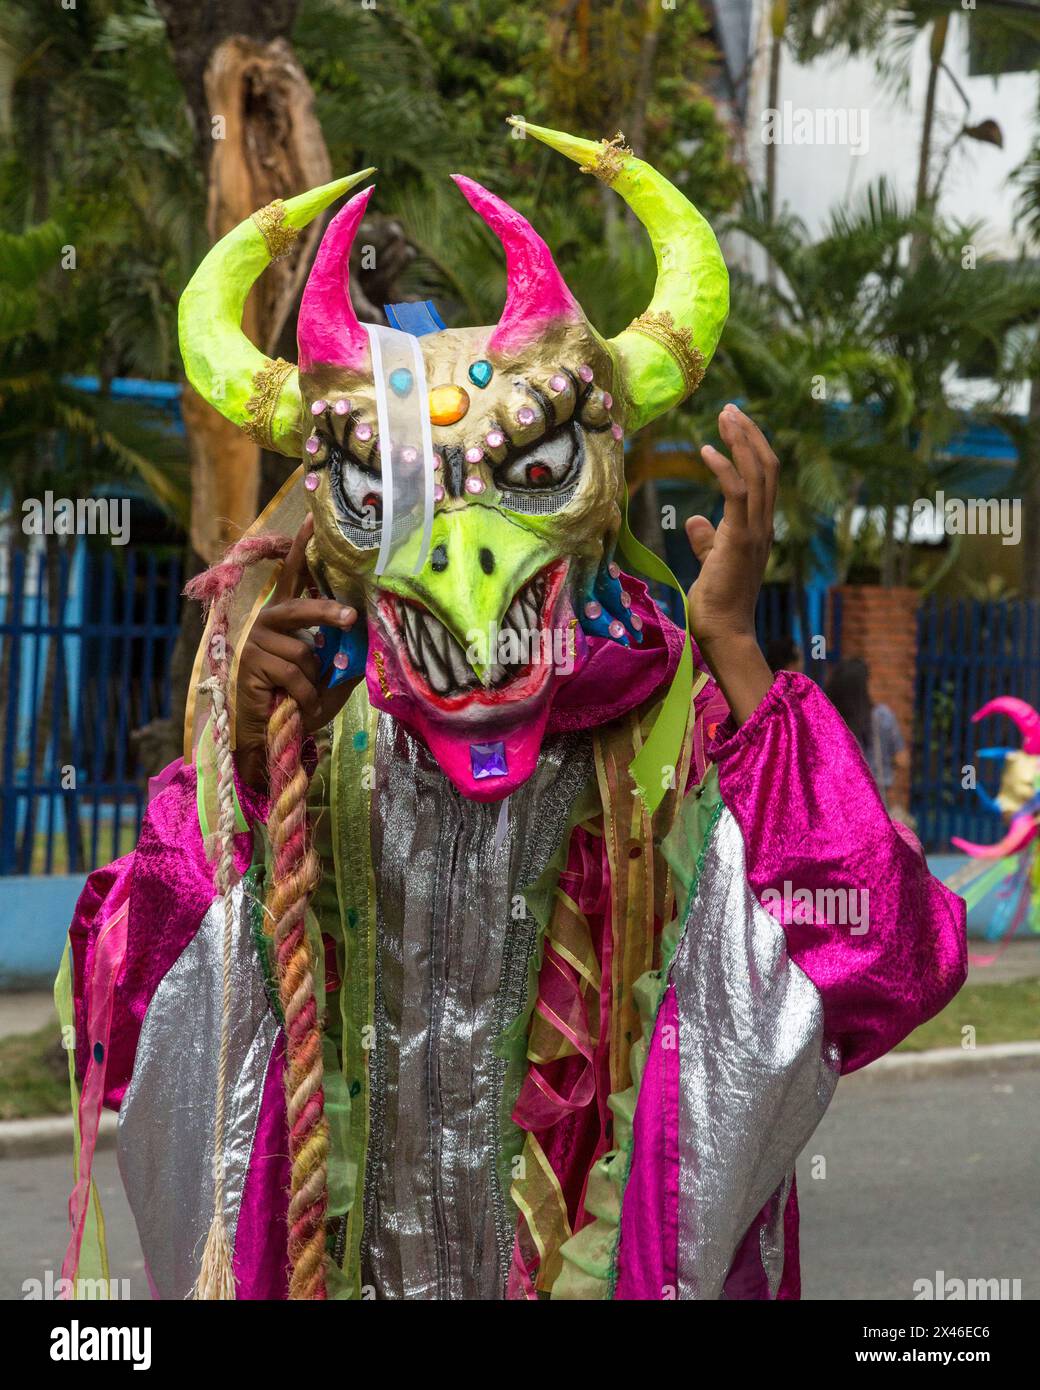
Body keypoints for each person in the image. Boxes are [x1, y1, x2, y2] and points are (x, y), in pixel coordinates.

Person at [57, 123, 965, 1302]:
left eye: (532, 474)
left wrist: (733, 650)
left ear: (600, 495)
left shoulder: (675, 750)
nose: (459, 562)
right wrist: (240, 755)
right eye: (389, 497)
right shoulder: (310, 755)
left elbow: (886, 954)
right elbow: (128, 1005)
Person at [826, 658, 909, 807]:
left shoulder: (828, 719)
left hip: (839, 803)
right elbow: (902, 760)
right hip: (876, 802)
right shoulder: (882, 716)